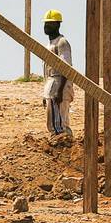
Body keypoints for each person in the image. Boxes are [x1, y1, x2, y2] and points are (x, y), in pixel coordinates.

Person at [40, 9, 73, 143]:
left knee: (61, 123)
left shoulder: (62, 43)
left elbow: (66, 68)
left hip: (60, 84)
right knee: (52, 118)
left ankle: (65, 143)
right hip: (51, 83)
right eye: (46, 23)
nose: (47, 26)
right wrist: (46, 93)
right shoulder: (49, 45)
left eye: (51, 24)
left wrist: (59, 91)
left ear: (58, 25)